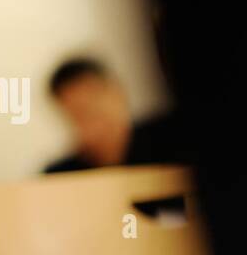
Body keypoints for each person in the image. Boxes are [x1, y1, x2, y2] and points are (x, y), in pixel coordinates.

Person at [43, 57, 187, 174]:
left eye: (96, 108)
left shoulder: (174, 137)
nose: (95, 124)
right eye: (80, 115)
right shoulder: (61, 176)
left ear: (118, 93)